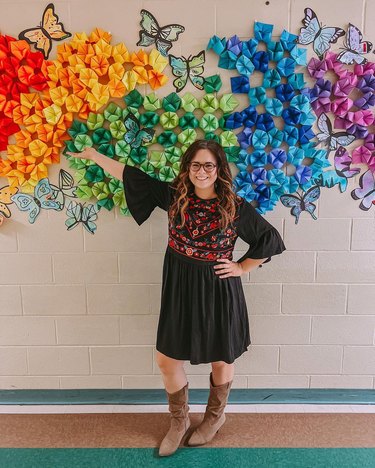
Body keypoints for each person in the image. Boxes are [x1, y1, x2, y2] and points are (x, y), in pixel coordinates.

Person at [67, 139, 285, 457]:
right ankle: (179, 421)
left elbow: (270, 239)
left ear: (219, 169)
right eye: (195, 165)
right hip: (179, 289)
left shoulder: (235, 207)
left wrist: (241, 267)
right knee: (166, 359)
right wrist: (95, 156)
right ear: (187, 169)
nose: (201, 171)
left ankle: (214, 417)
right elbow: (131, 176)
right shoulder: (174, 197)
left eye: (208, 165)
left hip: (218, 291)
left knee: (222, 358)